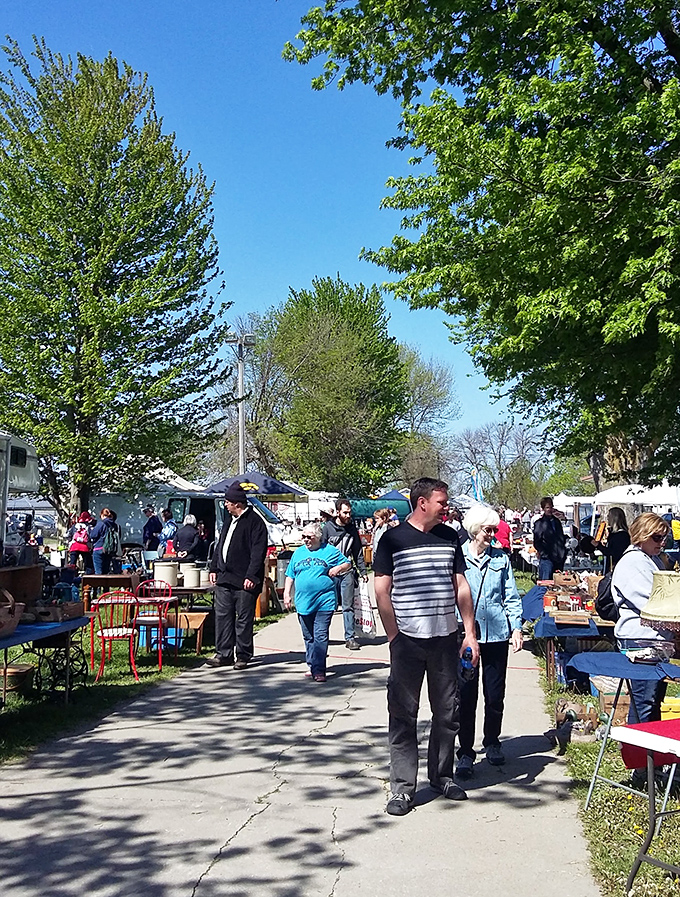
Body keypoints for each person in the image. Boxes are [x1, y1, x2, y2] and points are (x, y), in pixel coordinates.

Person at [373, 477, 480, 817]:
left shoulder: (450, 537)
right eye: (441, 502)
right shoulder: (392, 540)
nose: (446, 507)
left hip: (445, 639)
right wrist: (394, 636)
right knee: (403, 714)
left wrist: (469, 633)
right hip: (408, 641)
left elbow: (460, 585)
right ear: (422, 503)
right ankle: (403, 789)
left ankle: (442, 776)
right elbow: (381, 591)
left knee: (447, 713)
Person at [456, 505, 523, 778]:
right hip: (465, 637)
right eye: (488, 530)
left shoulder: (501, 559)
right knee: (465, 696)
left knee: (495, 695)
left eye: (495, 530)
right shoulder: (458, 557)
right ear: (474, 530)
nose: (493, 535)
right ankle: (465, 752)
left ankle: (493, 742)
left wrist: (516, 628)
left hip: (496, 634)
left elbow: (511, 596)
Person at [613, 512, 674, 725]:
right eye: (656, 537)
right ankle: (639, 755)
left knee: (653, 701)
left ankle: (650, 755)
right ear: (642, 535)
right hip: (640, 640)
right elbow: (653, 603)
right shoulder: (633, 562)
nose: (662, 542)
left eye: (664, 537)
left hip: (655, 640)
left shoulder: (651, 560)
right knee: (644, 704)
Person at [207, 483, 268, 670]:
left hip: (244, 580)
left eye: (227, 502)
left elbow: (258, 553)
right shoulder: (229, 520)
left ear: (237, 503)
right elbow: (220, 545)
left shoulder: (255, 522)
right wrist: (214, 568)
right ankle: (224, 654)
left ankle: (243, 655)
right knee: (223, 616)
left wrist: (251, 576)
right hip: (225, 578)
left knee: (243, 618)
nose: (225, 505)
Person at [283, 523, 351, 682]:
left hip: (324, 601)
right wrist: (287, 594)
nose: (305, 540)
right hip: (303, 602)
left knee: (320, 634)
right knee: (309, 636)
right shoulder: (298, 553)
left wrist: (337, 569)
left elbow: (347, 563)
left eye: (309, 537)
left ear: (318, 537)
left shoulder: (329, 551)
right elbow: (289, 575)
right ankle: (312, 663)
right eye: (303, 536)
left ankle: (319, 669)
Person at [321, 498, 368, 651]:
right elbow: (320, 551)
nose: (348, 515)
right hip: (330, 573)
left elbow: (357, 551)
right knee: (329, 606)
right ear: (337, 512)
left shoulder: (352, 529)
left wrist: (363, 571)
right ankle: (322, 636)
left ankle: (350, 637)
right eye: (345, 512)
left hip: (347, 571)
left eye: (349, 512)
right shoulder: (327, 528)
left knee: (348, 606)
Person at [533, 497, 566, 580]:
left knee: (558, 584)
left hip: (559, 558)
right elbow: (537, 542)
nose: (550, 509)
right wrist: (544, 553)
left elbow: (560, 537)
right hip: (547, 559)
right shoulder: (539, 523)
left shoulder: (557, 522)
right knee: (545, 583)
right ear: (543, 509)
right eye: (547, 507)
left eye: (551, 507)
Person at [594, 506, 630, 572]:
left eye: (609, 516)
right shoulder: (614, 534)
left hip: (616, 568)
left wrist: (598, 546)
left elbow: (613, 553)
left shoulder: (621, 536)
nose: (608, 518)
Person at [89, 508, 117, 575]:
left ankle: (98, 585)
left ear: (102, 515)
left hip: (99, 548)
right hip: (109, 550)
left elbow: (93, 535)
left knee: (98, 572)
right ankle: (105, 585)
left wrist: (90, 529)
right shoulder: (115, 525)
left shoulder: (101, 524)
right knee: (106, 571)